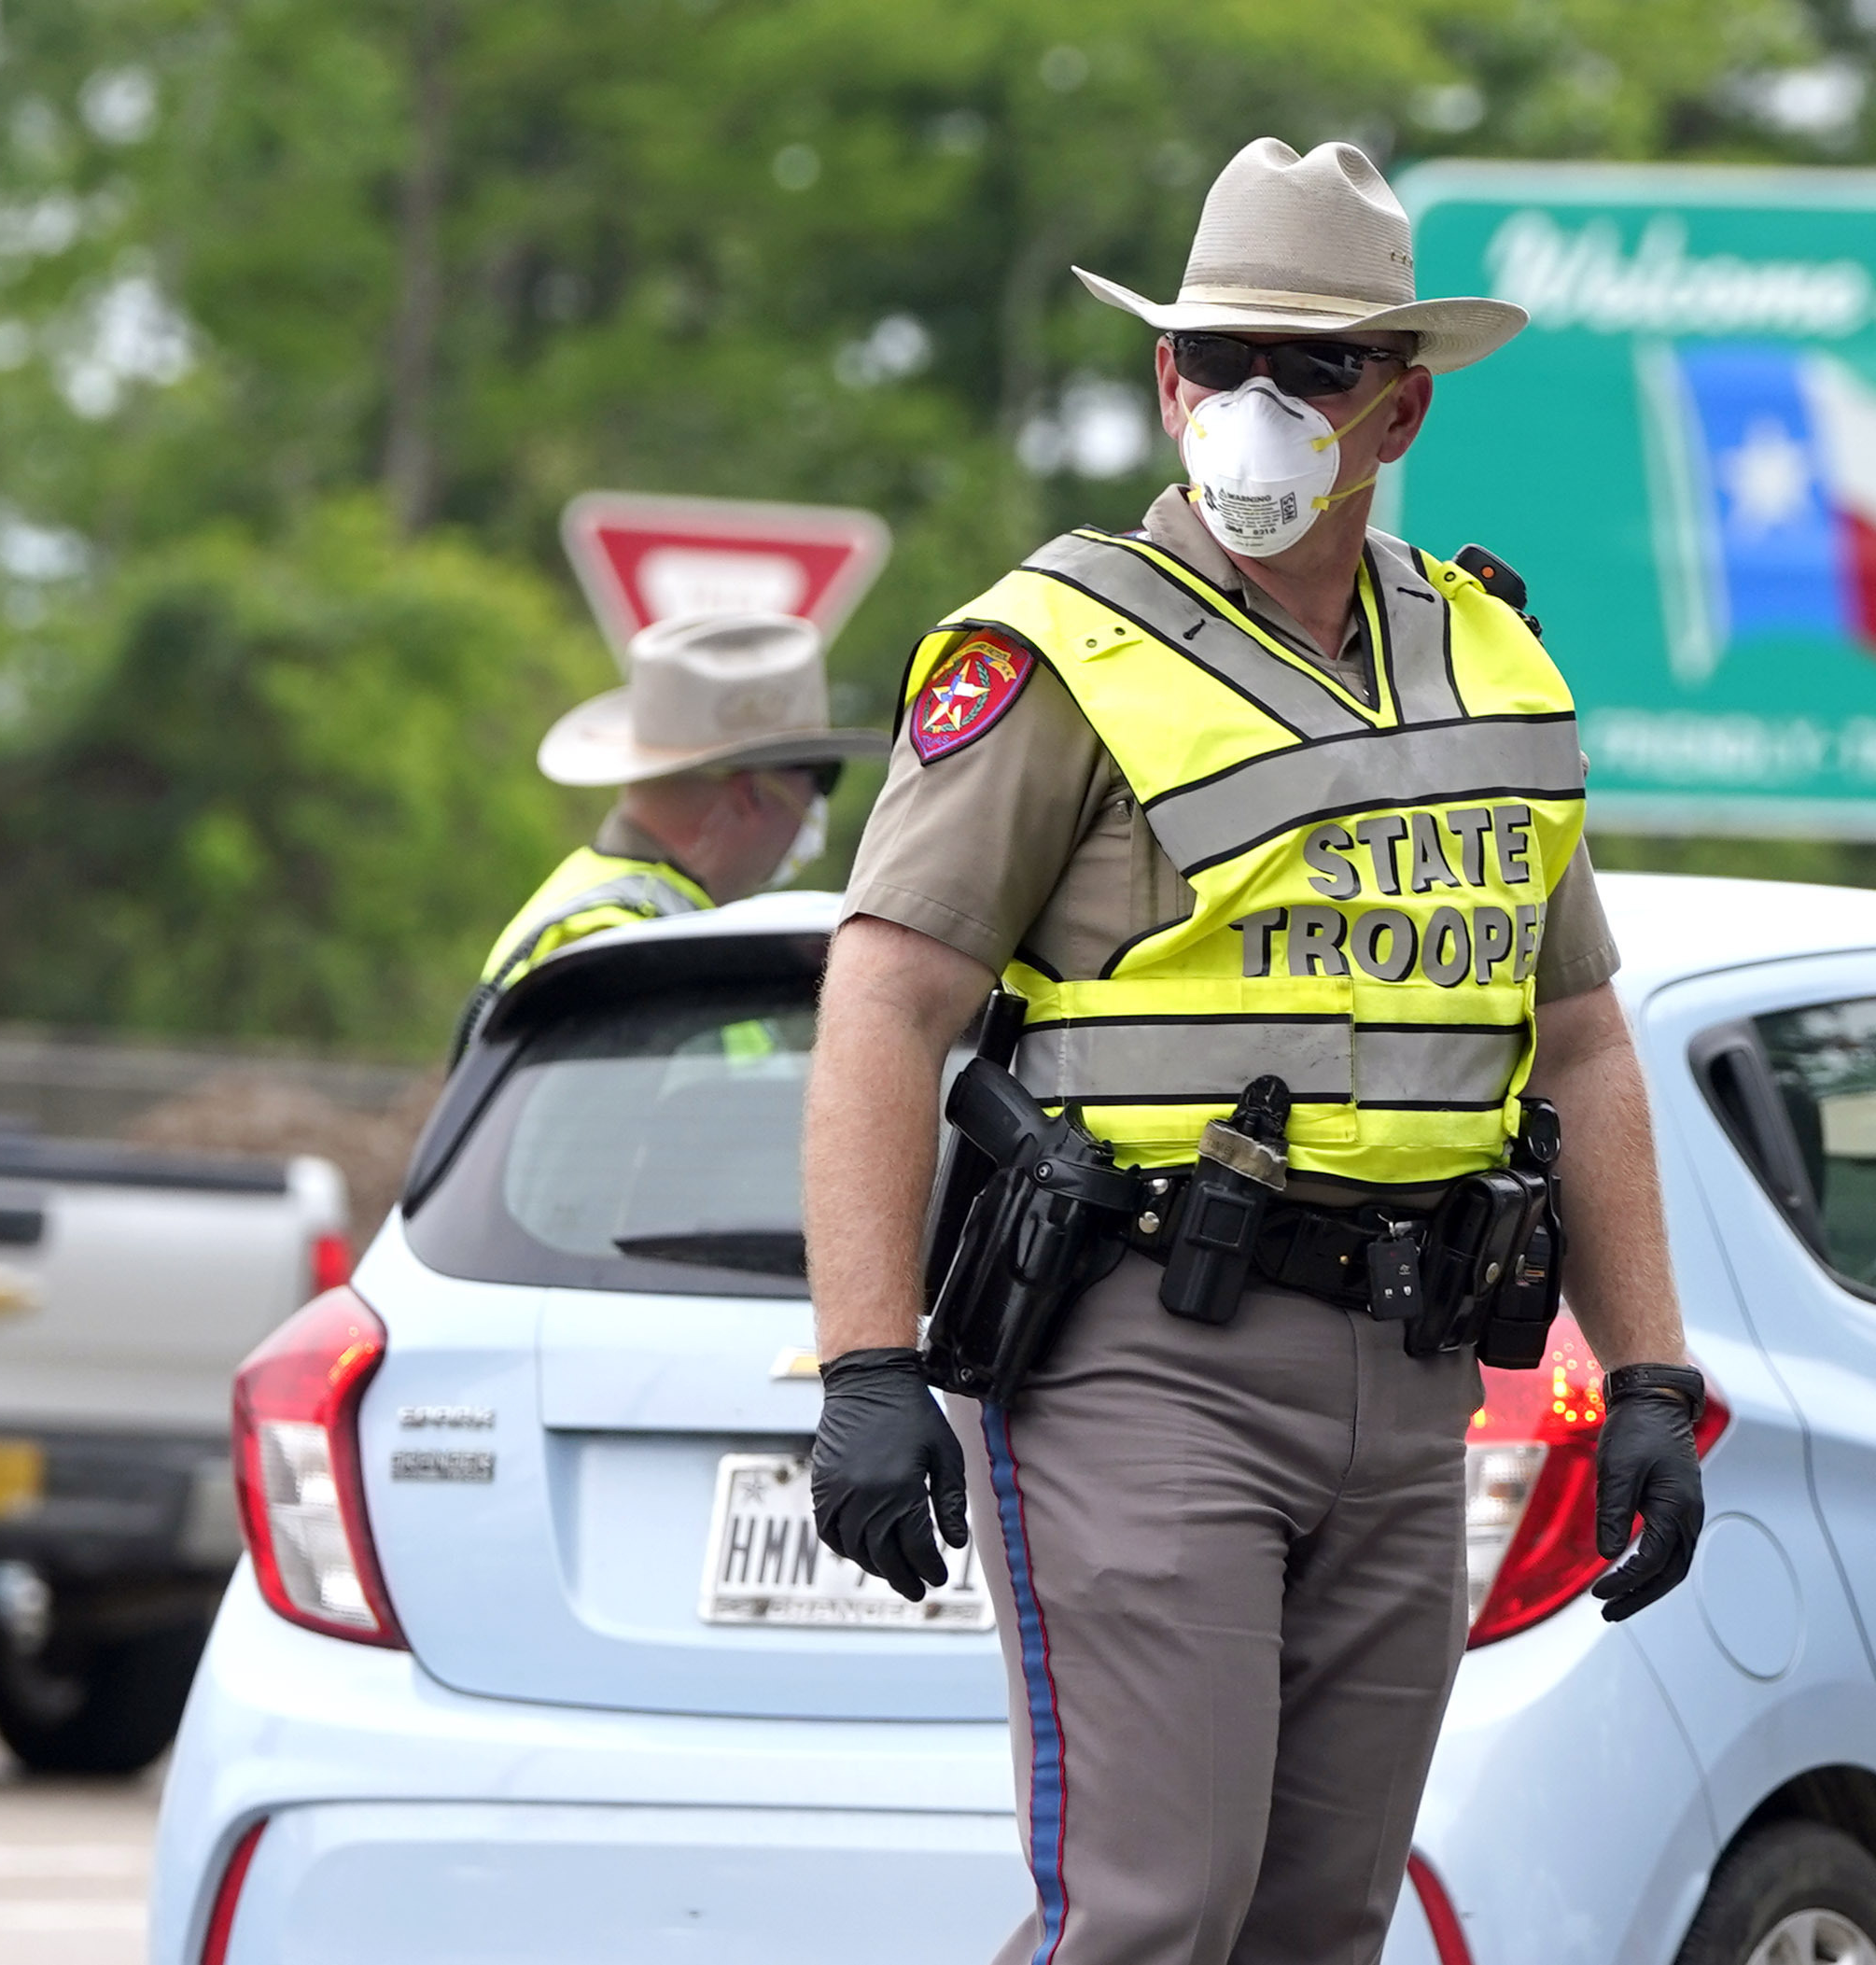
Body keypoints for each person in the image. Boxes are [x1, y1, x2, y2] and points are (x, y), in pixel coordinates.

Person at [801, 138, 1706, 1965]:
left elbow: (1586, 1038)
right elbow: (881, 1006)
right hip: (1148, 1361)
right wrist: (864, 1360)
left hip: (1410, 1367)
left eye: (1307, 368)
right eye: (1219, 359)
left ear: (1400, 407)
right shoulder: (1054, 653)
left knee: (1314, 1924)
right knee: (1159, 1910)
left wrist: (1655, 1378)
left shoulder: (1489, 660)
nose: (1254, 405)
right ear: (1165, 377)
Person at [455, 611, 883, 1056]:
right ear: (751, 793)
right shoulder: (624, 953)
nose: (817, 807)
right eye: (821, 776)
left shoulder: (650, 921)